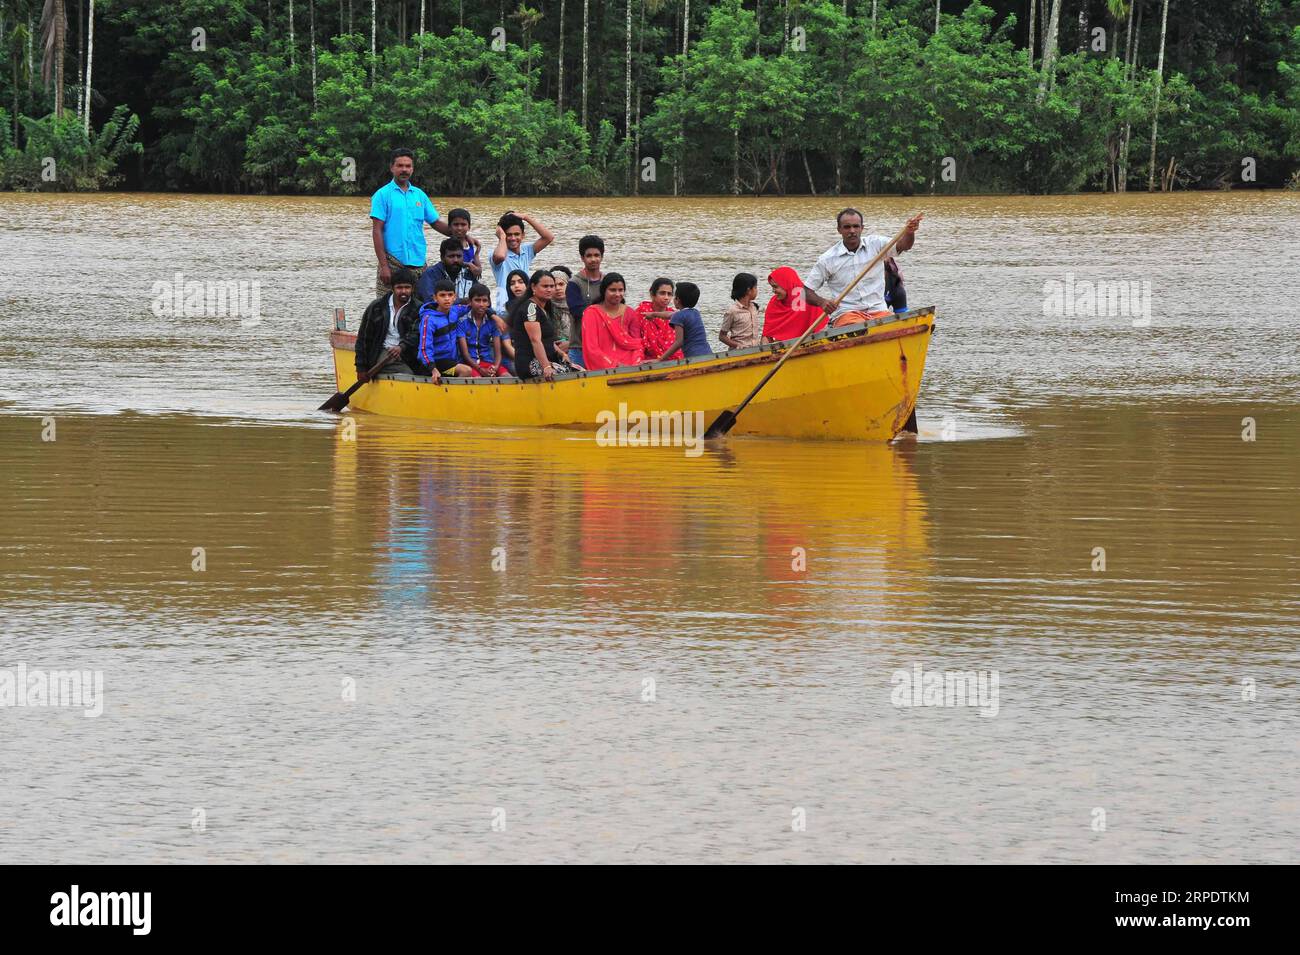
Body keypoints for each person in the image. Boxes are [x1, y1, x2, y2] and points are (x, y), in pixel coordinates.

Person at [803, 209, 922, 326]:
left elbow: (904, 245)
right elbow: (806, 291)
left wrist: (909, 232)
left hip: (878, 311)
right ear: (839, 230)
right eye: (847, 227)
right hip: (847, 314)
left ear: (862, 228)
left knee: (895, 327)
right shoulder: (827, 259)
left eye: (856, 226)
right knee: (858, 326)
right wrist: (822, 302)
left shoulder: (876, 244)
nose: (852, 231)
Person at [370, 148, 463, 296]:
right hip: (392, 263)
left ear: (412, 169)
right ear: (392, 168)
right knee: (386, 309)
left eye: (408, 166)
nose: (404, 170)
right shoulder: (382, 195)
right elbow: (377, 231)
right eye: (400, 166)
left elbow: (436, 223)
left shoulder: (420, 195)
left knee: (419, 310)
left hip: (419, 265)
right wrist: (383, 266)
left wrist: (461, 234)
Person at [510, 269, 578, 382]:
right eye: (545, 286)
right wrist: (546, 366)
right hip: (530, 363)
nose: (550, 289)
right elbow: (535, 340)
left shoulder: (544, 308)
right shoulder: (530, 309)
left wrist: (561, 353)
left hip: (547, 359)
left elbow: (547, 339)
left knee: (579, 370)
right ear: (533, 287)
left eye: (552, 286)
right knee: (570, 376)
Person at [355, 268, 422, 379]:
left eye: (407, 287)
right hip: (382, 353)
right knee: (408, 375)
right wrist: (361, 367)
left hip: (407, 354)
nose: (404, 291)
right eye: (399, 288)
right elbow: (363, 338)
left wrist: (402, 347)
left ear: (412, 288)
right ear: (392, 288)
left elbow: (417, 333)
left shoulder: (419, 308)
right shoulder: (376, 307)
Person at [411, 279, 475, 381]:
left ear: (455, 297)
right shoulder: (429, 319)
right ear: (435, 298)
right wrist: (433, 369)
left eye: (450, 295)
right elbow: (424, 348)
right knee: (466, 371)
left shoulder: (455, 310)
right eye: (442, 295)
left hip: (451, 360)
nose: (447, 299)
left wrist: (493, 315)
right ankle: (453, 395)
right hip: (435, 363)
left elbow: (474, 306)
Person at [580, 273, 645, 370]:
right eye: (612, 290)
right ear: (604, 291)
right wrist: (616, 365)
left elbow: (637, 344)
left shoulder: (630, 313)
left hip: (630, 363)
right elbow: (591, 348)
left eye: (621, 290)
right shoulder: (591, 313)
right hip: (603, 365)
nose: (617, 294)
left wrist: (635, 364)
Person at [491, 211, 554, 309]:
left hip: (523, 303)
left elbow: (548, 237)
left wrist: (526, 217)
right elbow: (500, 256)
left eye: (517, 234)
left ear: (523, 235)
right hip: (504, 308)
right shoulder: (497, 253)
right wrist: (502, 237)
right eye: (509, 234)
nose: (513, 238)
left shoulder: (526, 251)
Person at [564, 234, 606, 365]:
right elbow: (577, 312)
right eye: (589, 256)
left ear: (602, 257)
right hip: (580, 347)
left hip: (605, 345)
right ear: (582, 258)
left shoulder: (608, 282)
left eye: (597, 255)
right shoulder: (574, 283)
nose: (593, 259)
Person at [762, 267, 826, 342]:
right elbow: (767, 334)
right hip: (781, 347)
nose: (773, 291)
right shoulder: (774, 302)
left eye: (775, 287)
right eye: (772, 287)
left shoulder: (809, 300)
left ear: (786, 284)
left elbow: (820, 330)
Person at [457, 284, 508, 377]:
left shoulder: (493, 321)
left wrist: (495, 367)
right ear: (470, 302)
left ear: (489, 303)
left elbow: (498, 352)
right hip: (470, 364)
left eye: (484, 301)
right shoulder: (462, 321)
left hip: (488, 362)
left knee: (507, 377)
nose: (481, 304)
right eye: (477, 300)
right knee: (478, 380)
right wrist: (480, 369)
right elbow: (465, 354)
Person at [628, 278, 681, 360]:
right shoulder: (641, 314)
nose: (666, 297)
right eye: (662, 293)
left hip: (674, 358)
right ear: (652, 294)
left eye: (669, 294)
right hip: (646, 360)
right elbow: (635, 341)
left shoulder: (674, 316)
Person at [659, 282, 713, 359]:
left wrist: (660, 359)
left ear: (677, 300)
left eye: (674, 297)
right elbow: (669, 315)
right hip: (708, 354)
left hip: (694, 357)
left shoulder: (679, 316)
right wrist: (653, 314)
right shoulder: (695, 312)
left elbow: (679, 342)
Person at [415, 237, 475, 303]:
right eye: (451, 256)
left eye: (459, 256)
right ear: (442, 258)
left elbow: (481, 297)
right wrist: (461, 302)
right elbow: (430, 302)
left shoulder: (468, 274)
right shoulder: (430, 275)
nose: (456, 260)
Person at [719, 272, 762, 349]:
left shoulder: (754, 307)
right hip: (739, 353)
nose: (757, 290)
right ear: (748, 290)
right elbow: (722, 336)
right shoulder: (732, 311)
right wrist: (737, 345)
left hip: (755, 350)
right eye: (755, 287)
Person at [446, 208, 482, 282]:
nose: (459, 228)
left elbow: (478, 270)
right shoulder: (449, 245)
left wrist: (478, 250)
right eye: (456, 224)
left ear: (469, 226)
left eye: (463, 224)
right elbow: (448, 263)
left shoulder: (470, 243)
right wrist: (468, 265)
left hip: (469, 281)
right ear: (449, 226)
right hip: (454, 282)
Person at [550, 264, 573, 352]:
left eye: (561, 284)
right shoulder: (545, 306)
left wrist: (570, 344)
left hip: (575, 348)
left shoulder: (577, 306)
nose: (558, 288)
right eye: (553, 285)